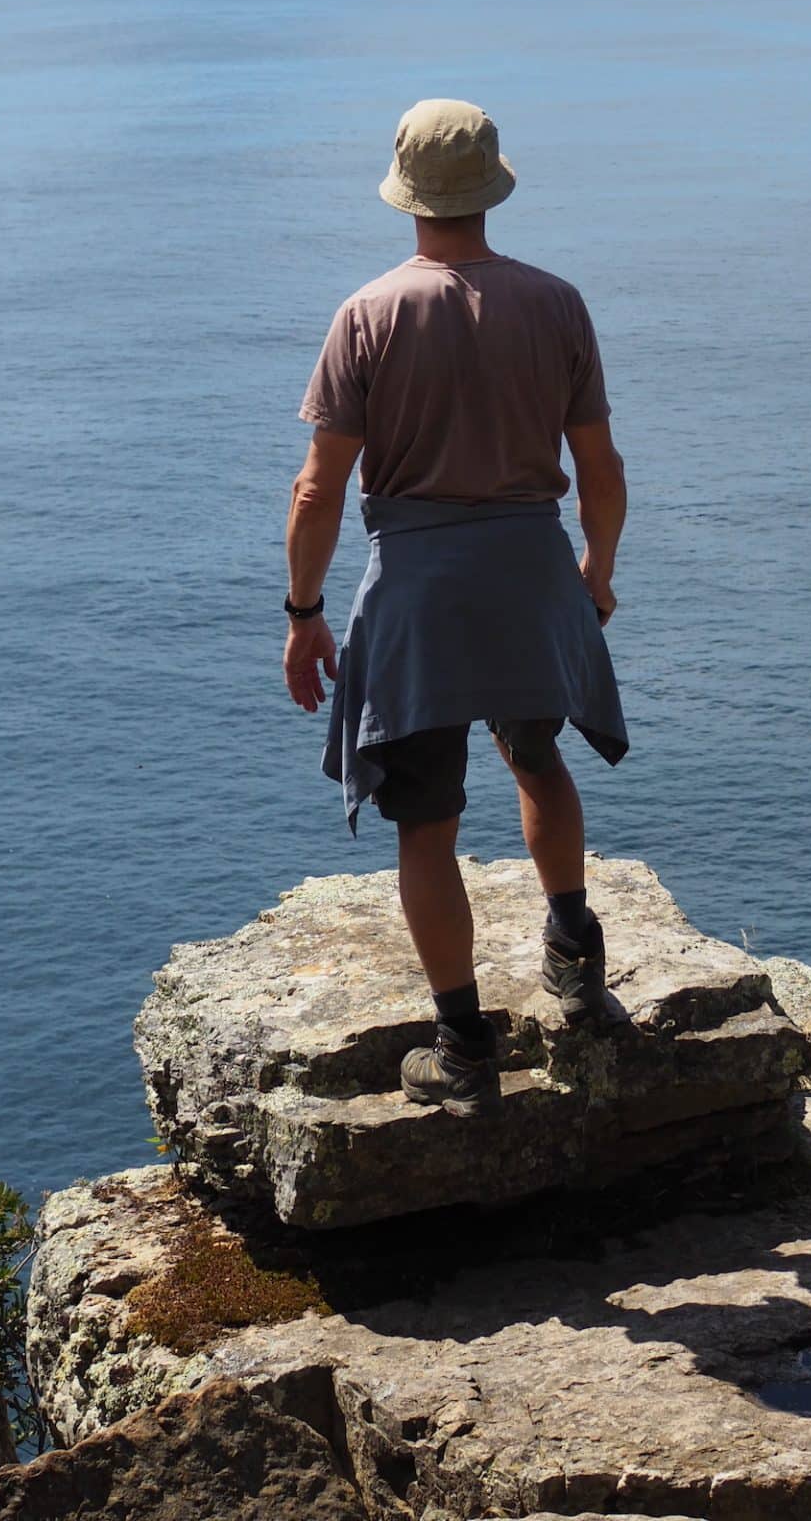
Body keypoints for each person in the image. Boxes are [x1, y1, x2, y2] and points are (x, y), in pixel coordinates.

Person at [280, 97, 630, 1117]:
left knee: (426, 824)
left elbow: (317, 490)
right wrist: (597, 568)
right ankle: (575, 961)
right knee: (538, 757)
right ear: (491, 186)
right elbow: (600, 467)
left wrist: (303, 612)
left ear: (407, 194)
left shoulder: (368, 314)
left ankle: (465, 1050)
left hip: (419, 595)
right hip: (530, 573)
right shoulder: (557, 304)